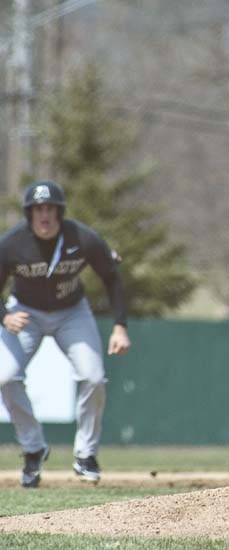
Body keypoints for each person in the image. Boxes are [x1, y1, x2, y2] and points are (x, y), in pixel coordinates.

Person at [0, 180, 131, 487]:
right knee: (4, 377)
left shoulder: (82, 238)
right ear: (29, 214)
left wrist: (120, 326)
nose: (44, 216)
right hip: (25, 313)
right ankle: (33, 448)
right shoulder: (12, 243)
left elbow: (112, 279)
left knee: (94, 377)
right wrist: (4, 316)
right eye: (37, 209)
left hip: (72, 311)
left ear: (60, 212)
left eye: (50, 209)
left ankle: (85, 455)